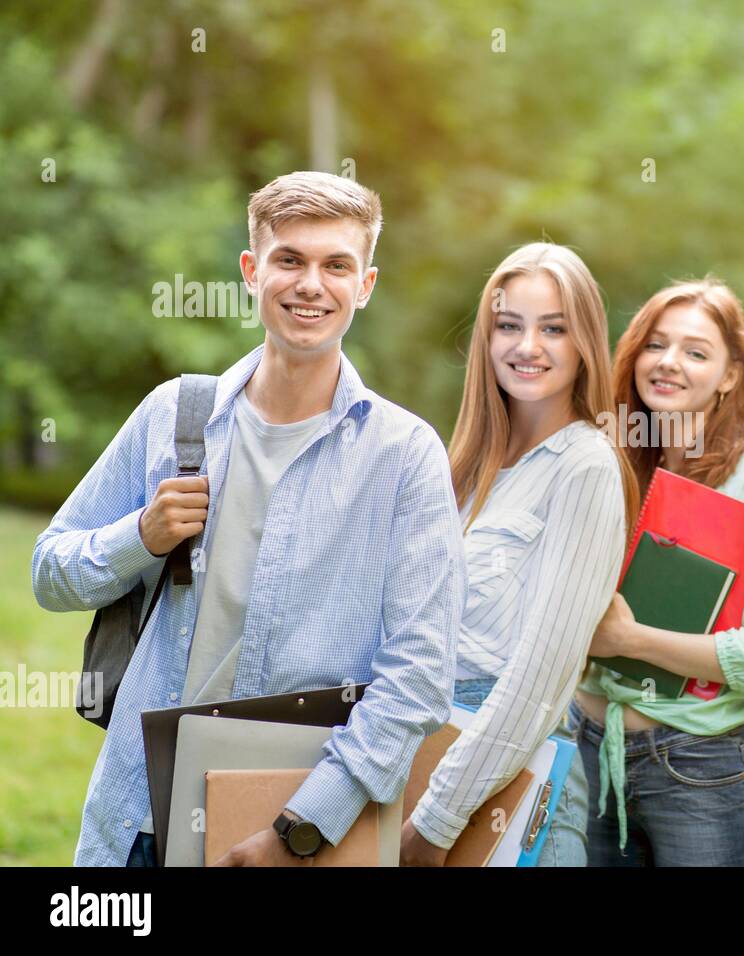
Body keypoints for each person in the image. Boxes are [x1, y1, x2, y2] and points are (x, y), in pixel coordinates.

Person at [32, 170, 466, 867]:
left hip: (292, 824)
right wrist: (139, 536)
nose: (310, 284)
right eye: (289, 259)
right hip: (136, 817)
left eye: (336, 265)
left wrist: (302, 826)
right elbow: (49, 572)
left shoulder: (405, 456)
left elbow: (419, 676)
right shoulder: (176, 414)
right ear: (251, 270)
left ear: (366, 284)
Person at [401, 242, 638, 867]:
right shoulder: (467, 469)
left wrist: (435, 822)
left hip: (509, 786)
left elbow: (541, 679)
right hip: (423, 756)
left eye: (553, 329)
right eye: (509, 325)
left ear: (584, 341)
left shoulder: (585, 466)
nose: (527, 346)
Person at [576, 278, 744, 866]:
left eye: (696, 352)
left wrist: (630, 641)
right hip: (589, 756)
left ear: (730, 375)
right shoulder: (611, 468)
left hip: (695, 768)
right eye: (656, 345)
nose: (669, 363)